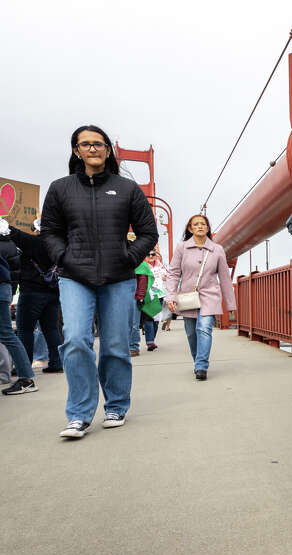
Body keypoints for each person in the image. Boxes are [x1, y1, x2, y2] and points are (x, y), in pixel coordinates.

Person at [41, 124, 159, 438]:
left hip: (118, 277)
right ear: (76, 151)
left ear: (107, 150)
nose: (93, 148)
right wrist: (63, 257)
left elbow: (149, 232)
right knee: (76, 340)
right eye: (86, 144)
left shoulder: (126, 189)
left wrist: (129, 257)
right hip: (75, 276)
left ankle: (116, 405)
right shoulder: (60, 188)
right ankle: (79, 414)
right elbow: (49, 232)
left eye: (99, 143)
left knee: (116, 345)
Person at [165, 214, 236, 380]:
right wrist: (171, 296)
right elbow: (174, 273)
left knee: (203, 329)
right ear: (190, 229)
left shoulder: (217, 249)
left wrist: (231, 304)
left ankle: (201, 366)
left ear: (208, 228)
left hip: (209, 296)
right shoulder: (181, 248)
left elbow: (225, 278)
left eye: (203, 224)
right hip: (188, 297)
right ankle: (198, 359)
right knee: (191, 333)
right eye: (196, 224)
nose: (199, 227)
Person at [4, 214, 62, 373]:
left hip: (31, 292)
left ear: (38, 229)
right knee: (51, 329)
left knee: (25, 330)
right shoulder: (57, 246)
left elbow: (13, 232)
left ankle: (24, 365)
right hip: (53, 292)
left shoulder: (33, 242)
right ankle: (57, 364)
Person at [0, 221, 36, 394]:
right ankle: (26, 377)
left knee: (7, 334)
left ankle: (26, 378)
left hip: (2, 287)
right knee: (8, 334)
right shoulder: (10, 244)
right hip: (5, 287)